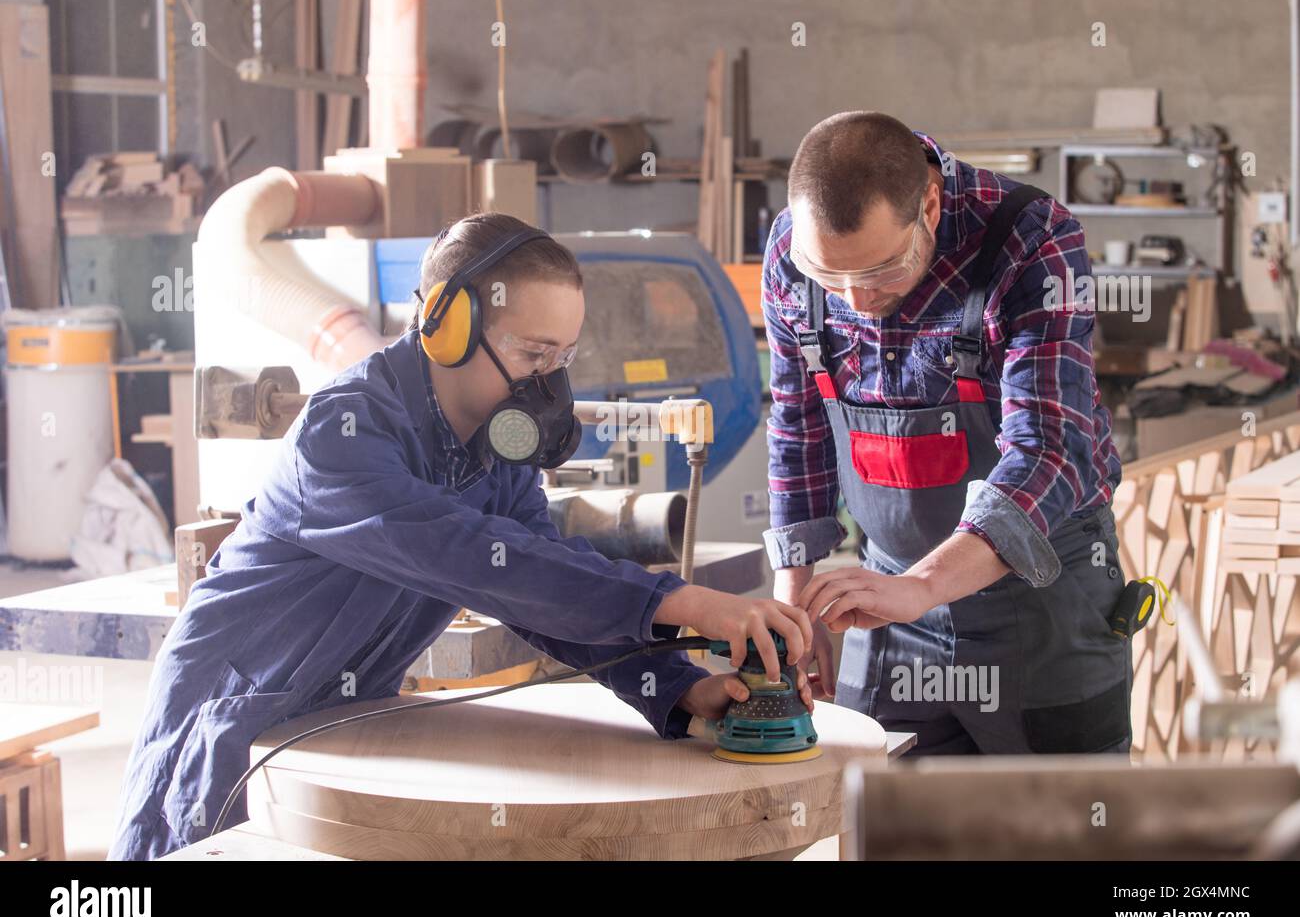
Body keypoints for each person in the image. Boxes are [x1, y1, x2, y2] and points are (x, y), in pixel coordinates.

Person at [110, 213, 813, 860]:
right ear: (446, 324)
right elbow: (475, 559)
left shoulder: (495, 451)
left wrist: (677, 687)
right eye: (533, 354)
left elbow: (546, 591)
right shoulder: (343, 433)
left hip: (345, 726)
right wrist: (688, 603)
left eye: (563, 359)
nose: (549, 383)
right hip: (227, 726)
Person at [762, 111, 1130, 755]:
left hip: (1043, 602)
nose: (854, 298)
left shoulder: (1030, 237)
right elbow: (798, 426)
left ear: (929, 207)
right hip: (889, 605)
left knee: (1067, 825)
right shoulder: (793, 250)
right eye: (830, 279)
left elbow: (1049, 450)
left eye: (879, 272)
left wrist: (924, 586)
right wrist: (794, 599)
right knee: (883, 822)